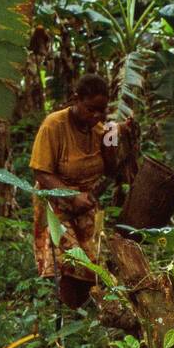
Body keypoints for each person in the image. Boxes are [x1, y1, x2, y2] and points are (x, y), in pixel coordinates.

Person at [29, 73, 133, 308]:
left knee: (95, 255)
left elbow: (110, 169)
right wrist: (71, 196)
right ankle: (68, 308)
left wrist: (112, 139)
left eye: (102, 111)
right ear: (76, 100)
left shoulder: (99, 129)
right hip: (55, 198)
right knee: (71, 257)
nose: (96, 116)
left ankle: (87, 306)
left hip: (86, 200)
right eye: (91, 109)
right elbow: (41, 172)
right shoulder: (53, 125)